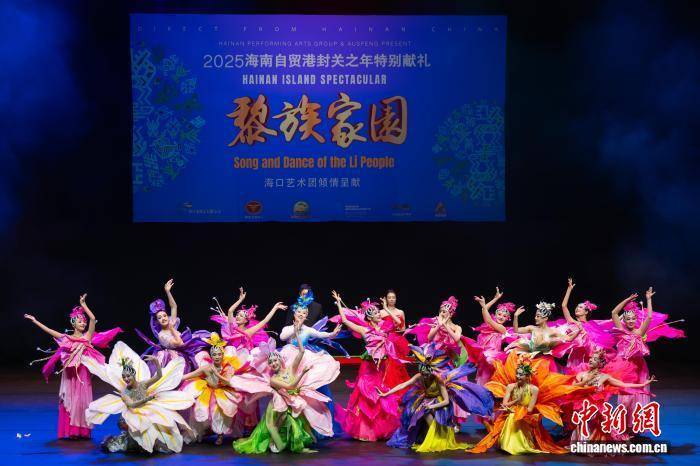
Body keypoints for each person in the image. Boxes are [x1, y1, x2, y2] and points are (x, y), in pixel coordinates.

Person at [25, 293, 121, 439]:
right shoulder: (66, 338)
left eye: (84, 321)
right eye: (80, 321)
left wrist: (84, 305)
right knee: (70, 399)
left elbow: (93, 319)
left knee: (82, 400)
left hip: (82, 373)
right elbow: (49, 331)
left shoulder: (87, 337)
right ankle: (72, 431)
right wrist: (35, 321)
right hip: (70, 374)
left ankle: (82, 431)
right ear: (73, 323)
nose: (83, 323)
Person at [233, 331, 340, 454]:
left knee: (296, 423)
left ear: (280, 359)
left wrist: (298, 337)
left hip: (292, 402)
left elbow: (301, 352)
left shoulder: (290, 369)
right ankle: (276, 443)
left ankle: (296, 446)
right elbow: (290, 386)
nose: (273, 363)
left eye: (275, 360)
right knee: (274, 428)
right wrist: (302, 374)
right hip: (278, 406)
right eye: (271, 362)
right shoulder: (273, 380)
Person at [84, 341, 194, 453]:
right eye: (124, 377)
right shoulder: (125, 393)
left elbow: (159, 377)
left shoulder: (143, 384)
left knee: (156, 428)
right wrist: (147, 399)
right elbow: (131, 405)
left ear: (134, 375)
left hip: (149, 409)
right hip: (133, 412)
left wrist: (156, 362)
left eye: (128, 376)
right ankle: (134, 442)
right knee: (130, 427)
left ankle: (147, 443)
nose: (126, 379)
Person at [382, 344, 494, 452]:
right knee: (417, 413)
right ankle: (426, 436)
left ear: (431, 372)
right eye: (423, 374)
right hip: (426, 399)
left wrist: (432, 406)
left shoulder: (438, 380)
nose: (425, 377)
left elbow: (446, 401)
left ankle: (436, 438)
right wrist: (386, 394)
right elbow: (403, 385)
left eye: (427, 375)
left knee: (429, 413)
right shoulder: (419, 376)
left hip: (440, 403)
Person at [470, 352, 585, 455]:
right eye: (517, 374)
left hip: (526, 416)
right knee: (512, 417)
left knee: (517, 416)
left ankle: (521, 442)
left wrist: (519, 409)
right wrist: (515, 402)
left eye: (521, 374)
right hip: (512, 413)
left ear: (527, 376)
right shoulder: (511, 386)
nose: (518, 376)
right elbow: (505, 404)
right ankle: (508, 443)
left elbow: (529, 409)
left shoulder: (534, 389)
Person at [330, 290, 409, 441]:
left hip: (382, 367)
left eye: (380, 313)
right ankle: (365, 429)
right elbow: (345, 320)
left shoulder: (384, 327)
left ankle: (381, 427)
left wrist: (386, 308)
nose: (380, 315)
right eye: (377, 313)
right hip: (369, 367)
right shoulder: (364, 329)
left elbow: (399, 323)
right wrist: (339, 303)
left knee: (381, 394)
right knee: (366, 394)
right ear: (370, 317)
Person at [181, 332, 271, 445]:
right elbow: (189, 375)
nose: (217, 357)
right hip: (208, 389)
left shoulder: (228, 367)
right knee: (199, 408)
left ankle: (220, 435)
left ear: (222, 355)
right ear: (211, 356)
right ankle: (204, 431)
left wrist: (216, 374)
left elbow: (227, 381)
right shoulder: (206, 367)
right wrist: (177, 378)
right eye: (214, 355)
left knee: (225, 409)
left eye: (219, 354)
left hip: (223, 390)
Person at [611, 287, 684, 424]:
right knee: (625, 397)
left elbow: (649, 317)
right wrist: (627, 300)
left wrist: (649, 299)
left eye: (633, 318)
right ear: (624, 320)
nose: (631, 321)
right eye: (628, 319)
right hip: (624, 365)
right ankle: (622, 424)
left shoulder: (639, 332)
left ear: (636, 319)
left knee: (636, 395)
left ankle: (632, 425)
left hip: (639, 365)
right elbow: (614, 312)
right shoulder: (621, 330)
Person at [135, 279, 208, 373]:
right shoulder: (162, 335)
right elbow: (179, 343)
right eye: (160, 318)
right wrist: (172, 329)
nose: (163, 318)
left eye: (165, 316)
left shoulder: (171, 322)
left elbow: (174, 307)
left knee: (205, 338)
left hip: (186, 349)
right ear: (157, 322)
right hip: (177, 357)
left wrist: (168, 291)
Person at [210, 287, 286, 350]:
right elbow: (230, 311)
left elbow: (265, 321)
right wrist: (240, 299)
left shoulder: (248, 332)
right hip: (230, 355)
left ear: (246, 320)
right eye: (237, 315)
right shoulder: (232, 328)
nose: (237, 316)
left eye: (241, 316)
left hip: (243, 357)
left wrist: (275, 308)